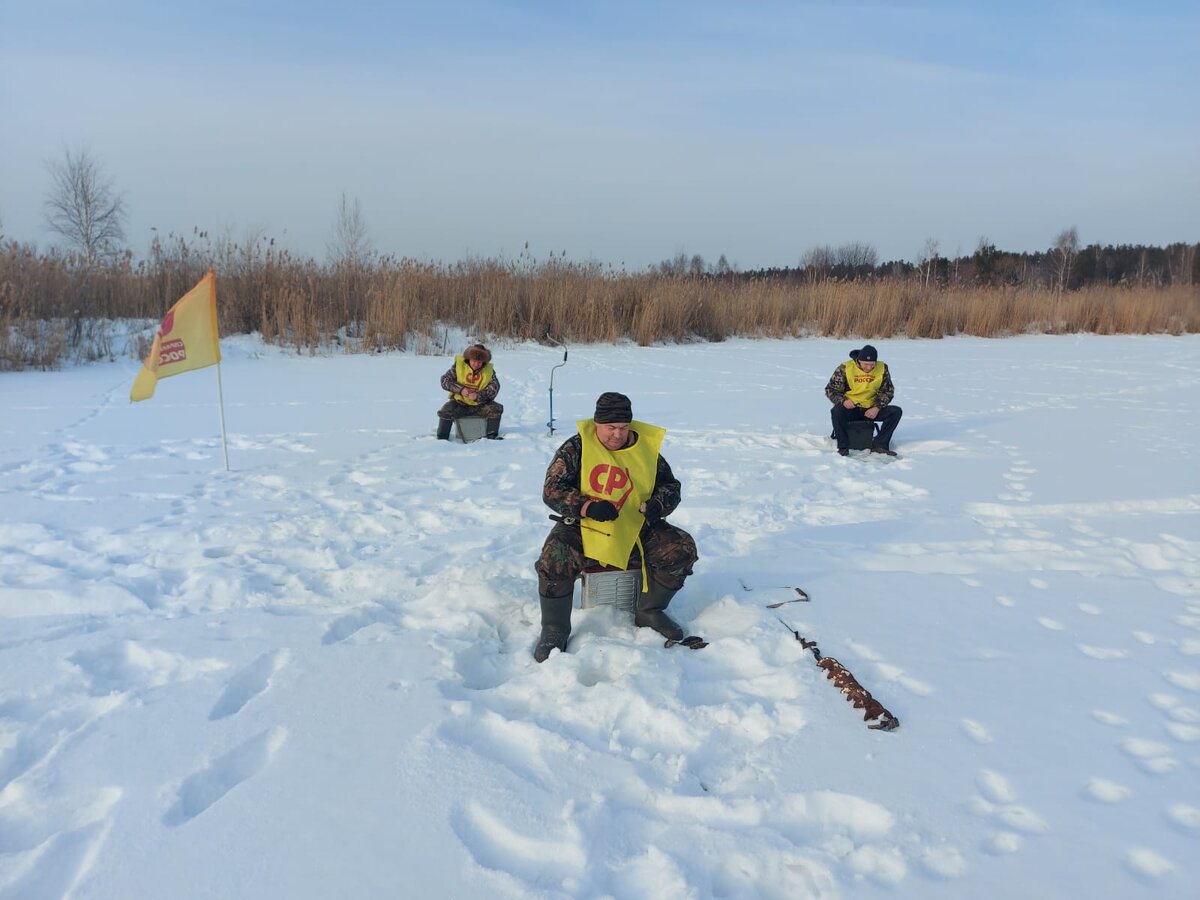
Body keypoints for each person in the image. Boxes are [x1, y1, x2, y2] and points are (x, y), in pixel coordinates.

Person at [533, 392, 701, 662]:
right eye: (610, 427)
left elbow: (671, 487)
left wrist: (659, 504)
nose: (617, 434)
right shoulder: (576, 447)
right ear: (597, 424)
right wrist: (586, 506)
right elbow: (551, 490)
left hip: (636, 526)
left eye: (623, 427)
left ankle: (650, 609)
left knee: (681, 548)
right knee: (555, 558)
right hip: (584, 525)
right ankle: (555, 627)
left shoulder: (645, 449)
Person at [825, 344, 902, 456]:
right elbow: (831, 390)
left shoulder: (882, 368)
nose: (869, 367)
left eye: (872, 364)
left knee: (896, 412)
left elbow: (888, 391)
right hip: (852, 408)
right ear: (859, 360)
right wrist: (843, 401)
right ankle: (843, 447)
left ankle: (880, 445)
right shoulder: (845, 368)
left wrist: (877, 407)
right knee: (836, 411)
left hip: (871, 409)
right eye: (866, 364)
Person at [436, 343, 503, 440]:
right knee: (445, 411)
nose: (476, 364)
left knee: (496, 409)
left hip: (480, 404)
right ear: (469, 359)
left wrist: (478, 396)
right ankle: (442, 439)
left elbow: (495, 388)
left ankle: (491, 438)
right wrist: (461, 389)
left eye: (480, 362)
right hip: (460, 403)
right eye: (474, 361)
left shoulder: (489, 370)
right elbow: (445, 380)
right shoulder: (458, 366)